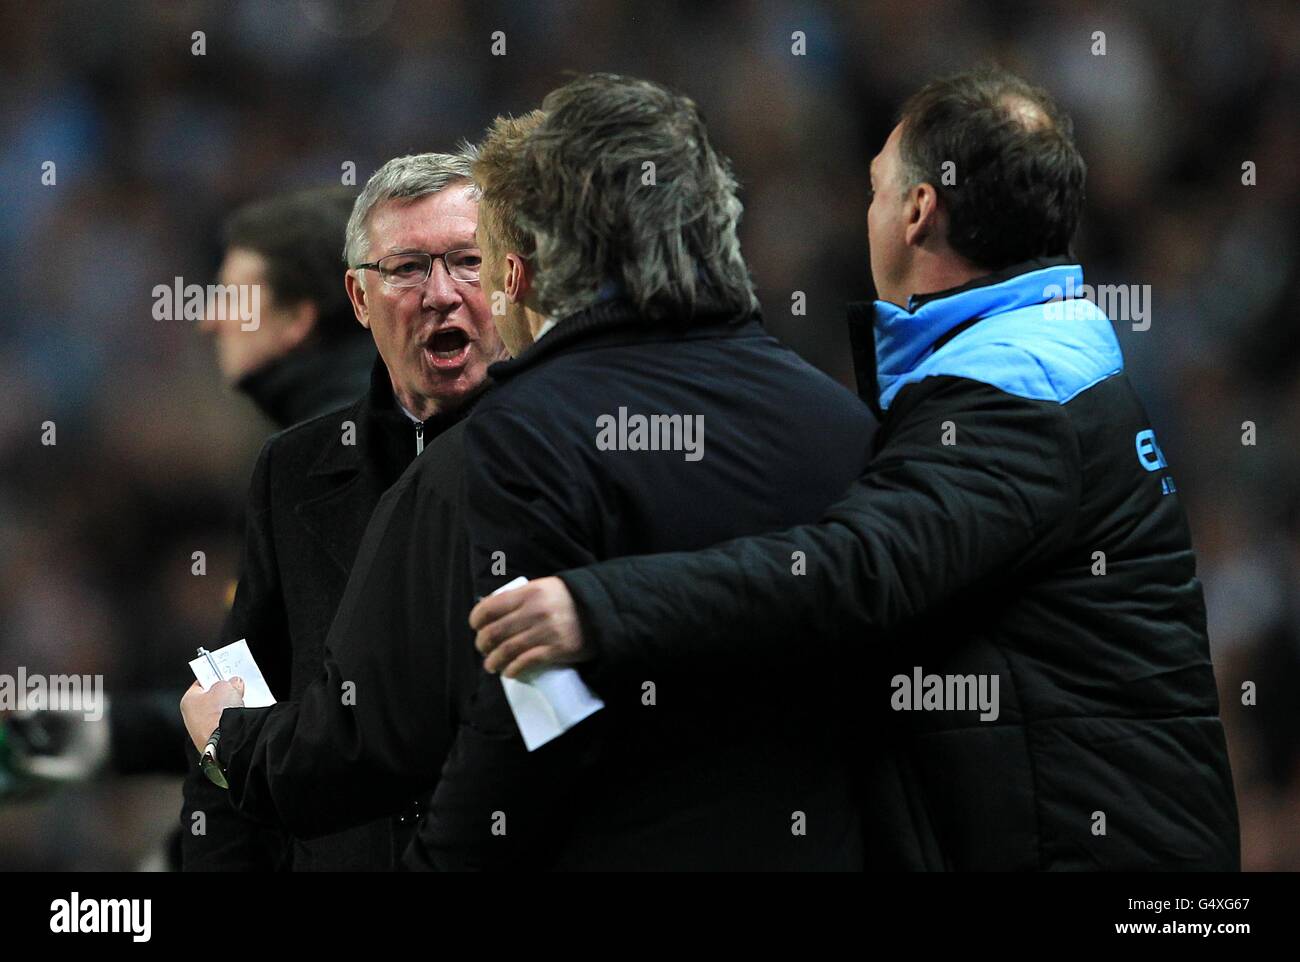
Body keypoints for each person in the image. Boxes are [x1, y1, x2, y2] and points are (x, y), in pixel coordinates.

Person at [468, 68, 1242, 871]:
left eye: (875, 186)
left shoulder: (1015, 395)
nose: (863, 207)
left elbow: (856, 572)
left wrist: (597, 606)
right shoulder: (1035, 363)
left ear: (917, 211)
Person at [401, 73, 875, 870]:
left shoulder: (524, 434)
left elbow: (530, 721)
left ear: (529, 264)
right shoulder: (842, 423)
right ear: (713, 220)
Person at [181, 154, 505, 871]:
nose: (442, 293)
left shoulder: (559, 456)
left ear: (510, 281)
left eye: (466, 261)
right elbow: (233, 695)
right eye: (408, 269)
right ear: (358, 299)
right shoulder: (292, 470)